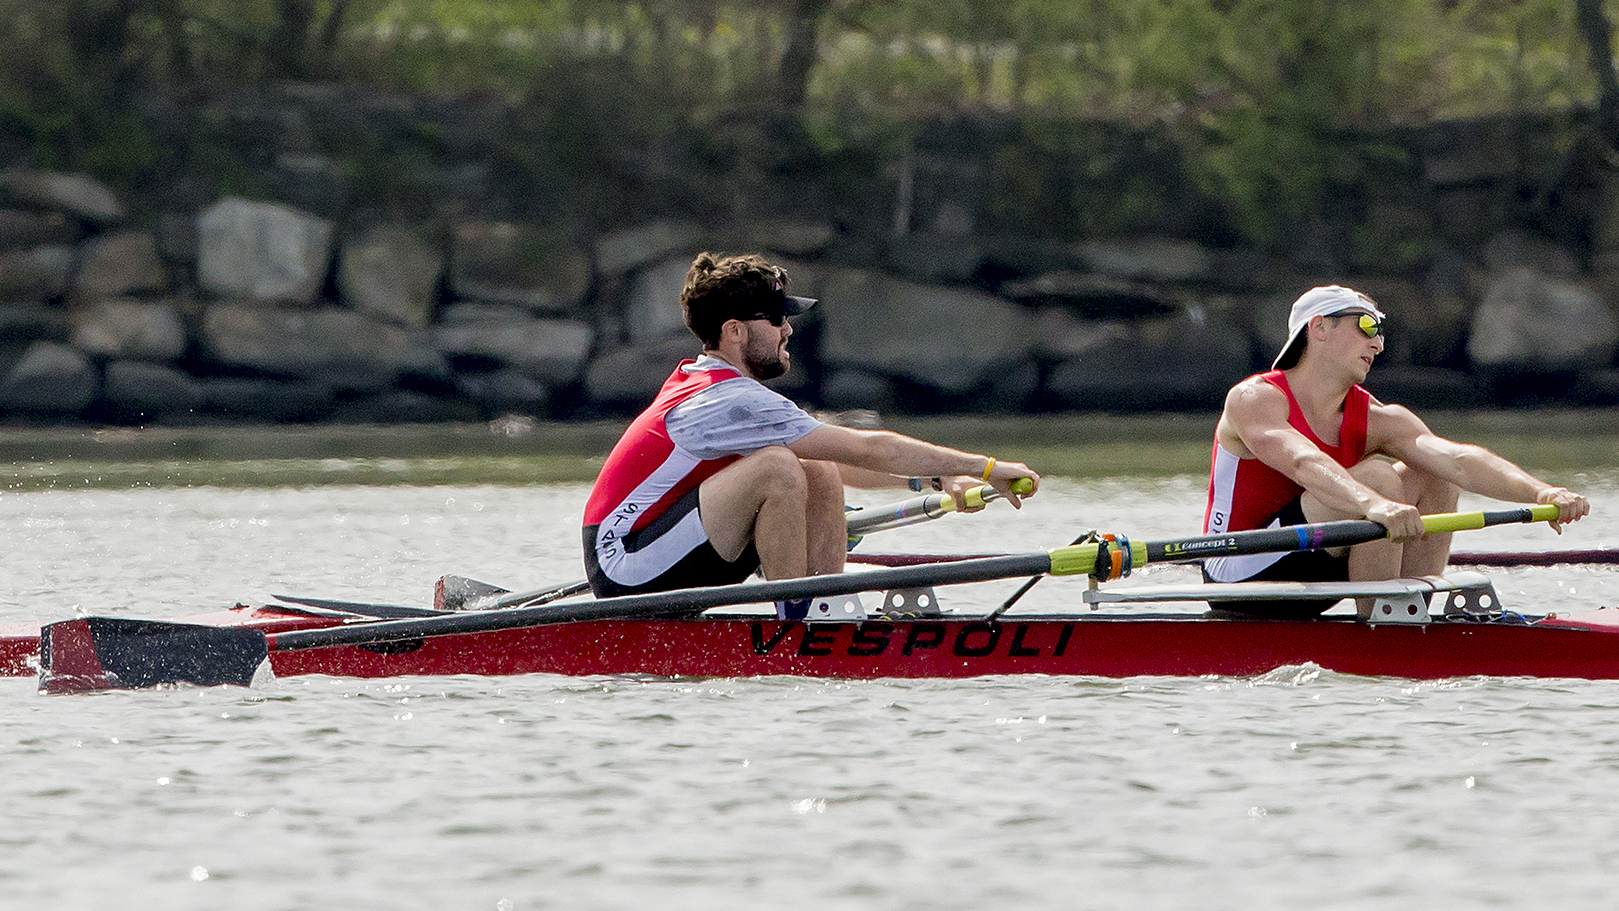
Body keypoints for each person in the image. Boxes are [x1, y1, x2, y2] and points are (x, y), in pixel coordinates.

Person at [582, 251, 1039, 617]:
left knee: (813, 464)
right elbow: (869, 446)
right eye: (777, 318)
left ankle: (825, 612)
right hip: (624, 564)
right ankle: (798, 620)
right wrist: (986, 466)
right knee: (778, 467)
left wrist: (935, 479)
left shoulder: (728, 392)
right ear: (735, 331)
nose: (788, 329)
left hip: (666, 549)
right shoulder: (724, 399)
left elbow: (839, 459)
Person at [1203, 284, 1589, 617]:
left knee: (1431, 472)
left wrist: (1541, 493)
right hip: (1238, 571)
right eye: (1367, 326)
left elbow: (1459, 460)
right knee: (1378, 477)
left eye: (1381, 332)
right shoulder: (1254, 399)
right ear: (1319, 327)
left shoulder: (1375, 416)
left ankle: (1408, 612)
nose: (1378, 343)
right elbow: (1303, 461)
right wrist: (1375, 504)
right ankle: (1383, 625)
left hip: (1315, 562)